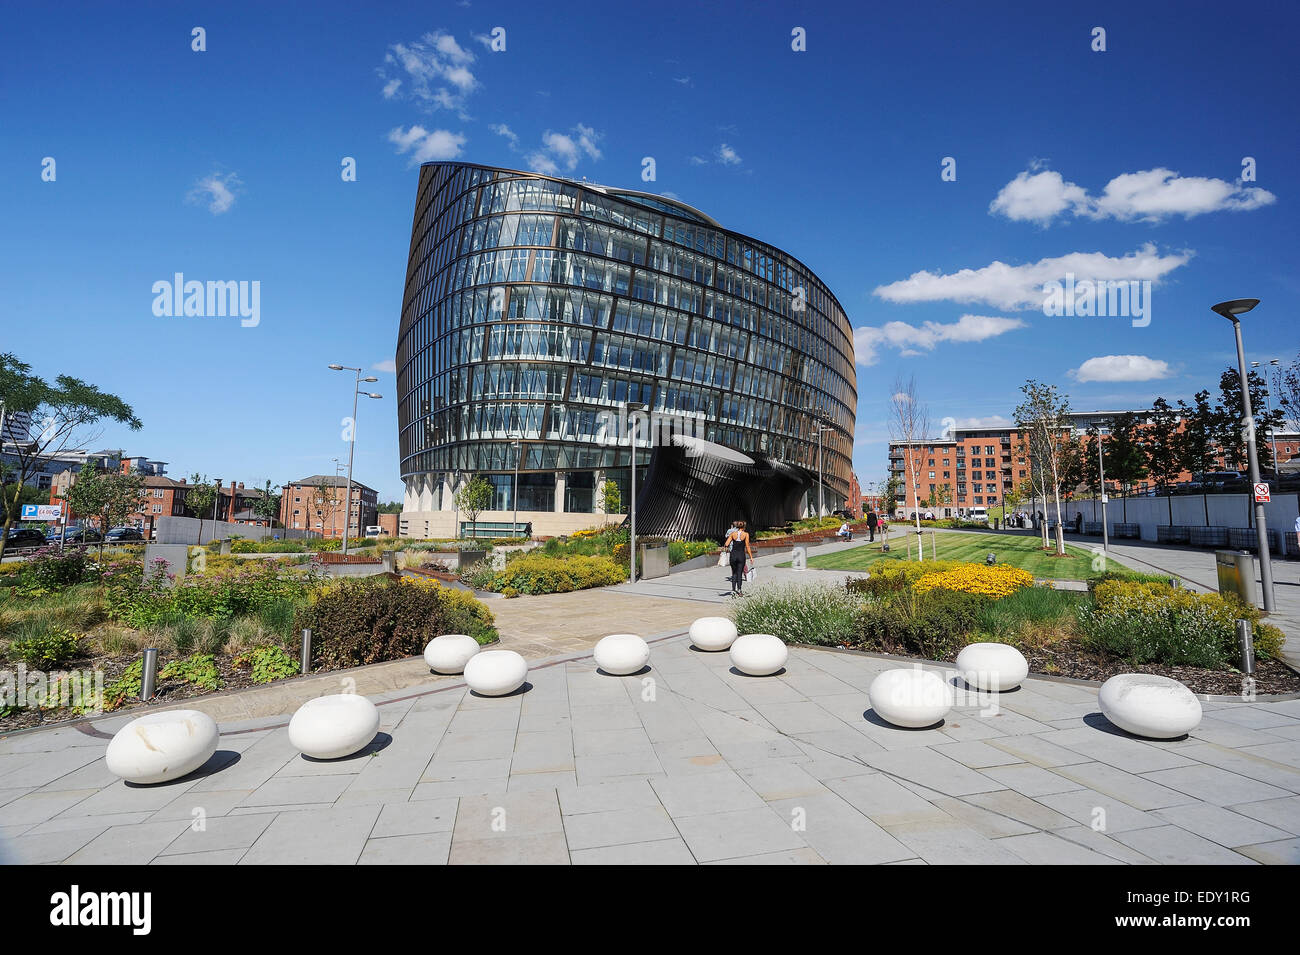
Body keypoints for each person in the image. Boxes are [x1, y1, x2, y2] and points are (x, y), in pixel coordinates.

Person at [721, 519, 754, 596]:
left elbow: (726, 544)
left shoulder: (733, 534)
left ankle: (733, 590)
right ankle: (739, 590)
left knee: (734, 573)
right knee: (739, 573)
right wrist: (751, 557)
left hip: (733, 555)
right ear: (744, 526)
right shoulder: (746, 534)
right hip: (741, 555)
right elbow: (747, 546)